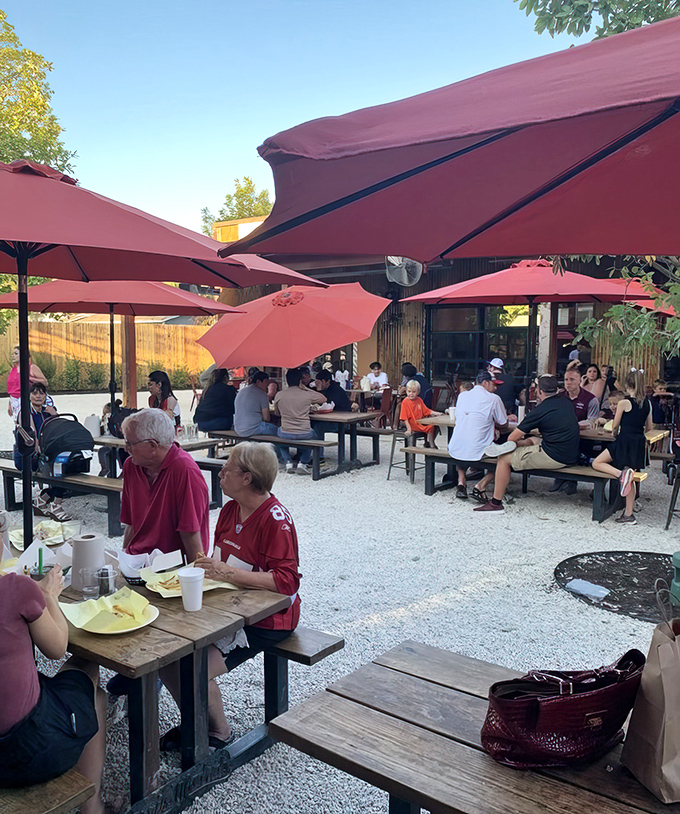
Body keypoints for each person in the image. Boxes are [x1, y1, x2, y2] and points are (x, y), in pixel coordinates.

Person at [157, 442, 300, 752]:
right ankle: (197, 720)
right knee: (165, 655)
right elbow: (220, 560)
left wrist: (227, 573)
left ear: (247, 478)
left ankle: (218, 732)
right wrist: (209, 568)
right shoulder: (231, 508)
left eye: (228, 467)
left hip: (268, 618)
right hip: (228, 605)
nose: (220, 472)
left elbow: (287, 582)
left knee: (195, 665)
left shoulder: (276, 520)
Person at [0, 565, 106, 813]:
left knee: (56, 687)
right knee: (88, 675)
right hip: (27, 751)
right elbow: (58, 647)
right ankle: (92, 807)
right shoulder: (14, 588)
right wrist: (48, 596)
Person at [474, 374, 580, 514]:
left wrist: (514, 442)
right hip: (571, 454)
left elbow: (512, 436)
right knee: (534, 441)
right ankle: (514, 448)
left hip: (555, 456)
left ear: (539, 391)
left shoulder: (540, 410)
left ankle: (496, 503)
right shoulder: (566, 402)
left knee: (504, 459)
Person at [120, 408, 209, 559]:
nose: (126, 448)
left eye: (130, 443)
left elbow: (191, 532)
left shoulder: (184, 470)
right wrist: (124, 558)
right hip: (139, 560)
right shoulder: (131, 466)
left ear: (153, 446)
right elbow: (131, 523)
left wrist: (196, 575)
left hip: (173, 566)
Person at [592, 369, 652, 525]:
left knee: (597, 462)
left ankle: (619, 475)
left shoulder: (624, 403)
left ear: (627, 384)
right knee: (631, 475)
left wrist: (613, 431)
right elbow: (650, 426)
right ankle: (628, 513)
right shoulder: (647, 403)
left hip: (624, 441)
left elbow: (615, 424)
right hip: (638, 442)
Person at [448, 371, 514, 501]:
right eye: (493, 384)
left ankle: (461, 482)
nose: (495, 388)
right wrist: (494, 425)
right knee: (504, 458)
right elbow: (504, 424)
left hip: (455, 447)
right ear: (485, 383)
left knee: (465, 440)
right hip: (477, 449)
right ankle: (481, 485)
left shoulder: (463, 396)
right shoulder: (493, 398)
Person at [13, 382, 73, 522]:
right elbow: (31, 441)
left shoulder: (47, 412)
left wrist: (55, 415)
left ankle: (42, 499)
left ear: (46, 396)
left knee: (67, 463)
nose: (38, 396)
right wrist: (47, 455)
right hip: (28, 457)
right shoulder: (25, 414)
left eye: (41, 393)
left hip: (44, 454)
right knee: (59, 467)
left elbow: (58, 433)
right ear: (29, 396)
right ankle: (56, 505)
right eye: (34, 393)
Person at [549, 367, 599, 495]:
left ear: (579, 381)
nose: (568, 382)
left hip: (583, 439)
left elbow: (592, 421)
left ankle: (572, 481)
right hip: (562, 438)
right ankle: (560, 477)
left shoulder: (590, 399)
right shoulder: (559, 397)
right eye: (566, 379)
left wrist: (572, 426)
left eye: (572, 379)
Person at [274, 367, 326, 474]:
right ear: (300, 380)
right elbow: (323, 398)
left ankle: (288, 461)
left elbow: (277, 413)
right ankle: (303, 463)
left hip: (286, 432)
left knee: (278, 435)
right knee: (314, 437)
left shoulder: (279, 395)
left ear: (287, 380)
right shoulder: (306, 394)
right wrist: (305, 388)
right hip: (304, 432)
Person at [6, 345, 49, 419]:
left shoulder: (31, 368)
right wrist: (10, 403)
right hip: (14, 400)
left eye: (16, 354)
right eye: (13, 354)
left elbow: (45, 382)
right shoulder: (13, 370)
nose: (13, 356)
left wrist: (30, 378)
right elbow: (12, 389)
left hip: (26, 399)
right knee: (17, 422)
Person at [233, 370, 279, 437]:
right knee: (279, 432)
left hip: (238, 428)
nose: (267, 386)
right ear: (258, 381)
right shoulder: (261, 394)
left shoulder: (241, 391)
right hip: (254, 429)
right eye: (265, 382)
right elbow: (266, 418)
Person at [400, 379, 443, 448]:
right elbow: (405, 418)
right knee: (431, 427)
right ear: (406, 391)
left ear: (418, 392)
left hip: (420, 422)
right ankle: (430, 444)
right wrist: (409, 429)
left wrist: (437, 413)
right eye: (409, 391)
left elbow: (426, 410)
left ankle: (430, 442)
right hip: (412, 424)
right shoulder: (405, 402)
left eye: (414, 392)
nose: (411, 394)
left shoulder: (419, 400)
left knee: (434, 426)